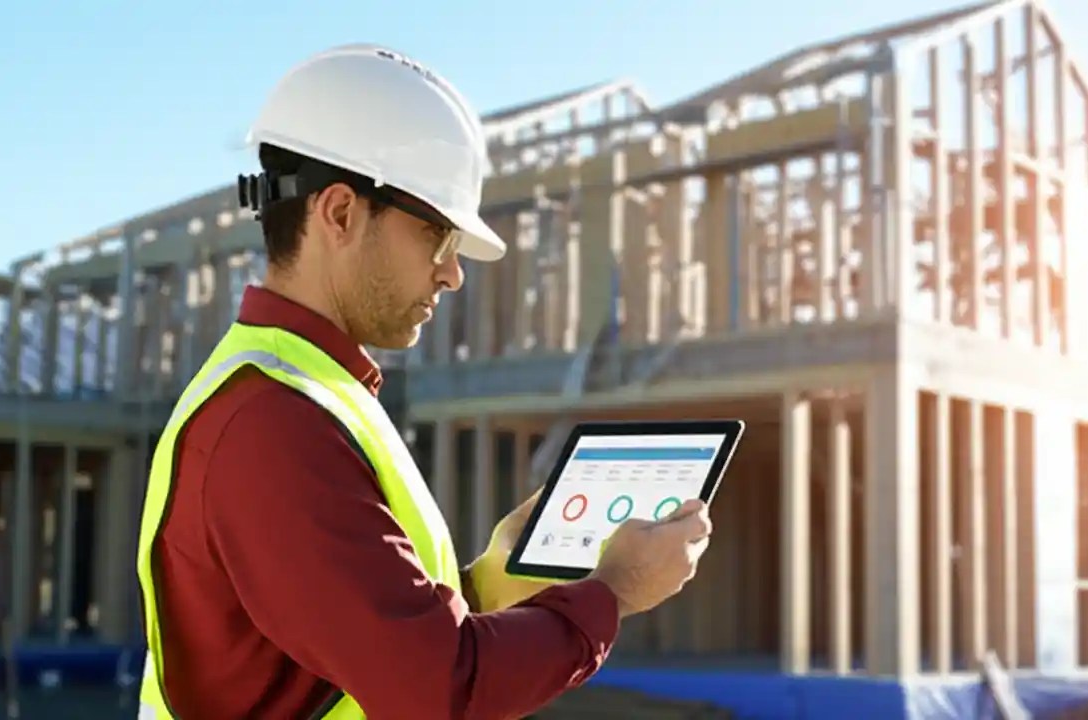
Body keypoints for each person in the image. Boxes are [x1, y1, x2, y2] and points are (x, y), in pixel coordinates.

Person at [134, 43, 714, 720]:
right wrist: (614, 591)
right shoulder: (272, 424)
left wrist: (501, 573)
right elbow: (439, 687)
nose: (452, 272)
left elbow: (371, 640)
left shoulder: (315, 396)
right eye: (436, 234)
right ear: (341, 213)